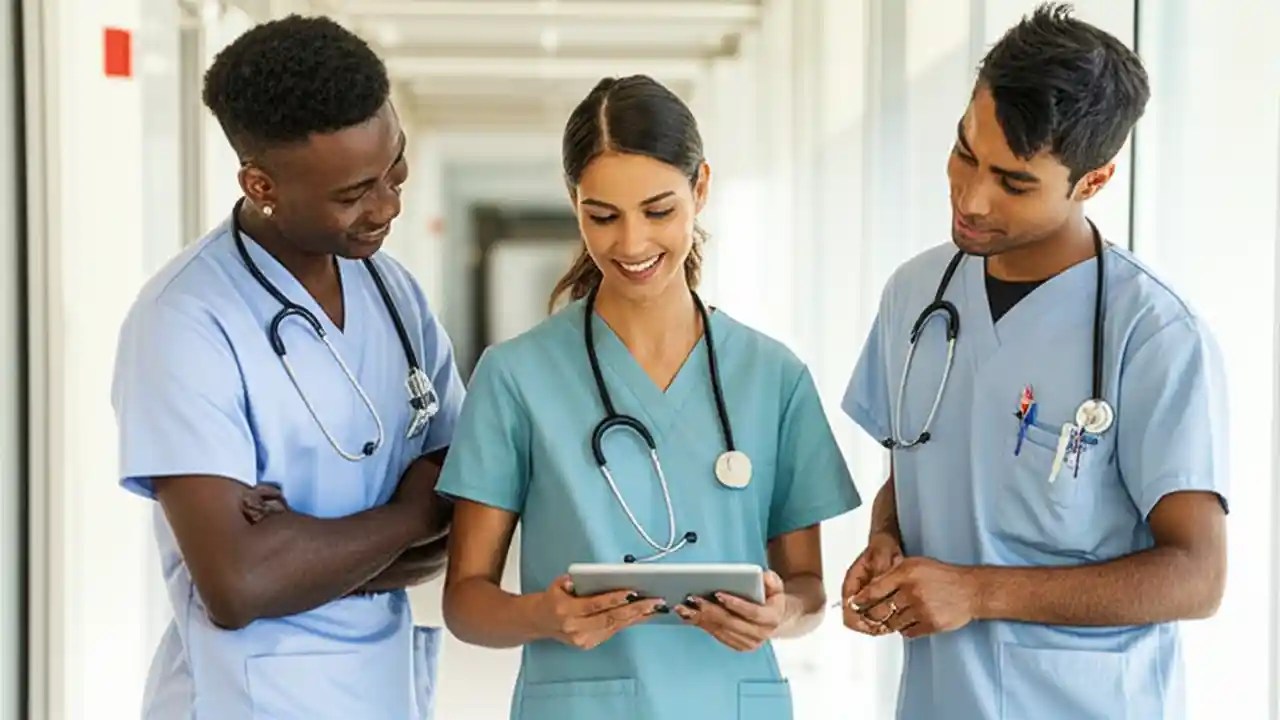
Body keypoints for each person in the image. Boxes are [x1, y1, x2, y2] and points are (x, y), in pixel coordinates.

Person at [838, 5, 1228, 719]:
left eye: (1013, 183)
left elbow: (1197, 576)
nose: (970, 197)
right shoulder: (914, 294)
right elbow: (918, 459)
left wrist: (979, 591)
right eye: (964, 152)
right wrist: (884, 542)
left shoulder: (1153, 332)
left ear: (1095, 180)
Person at [434, 74, 862, 719]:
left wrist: (779, 615)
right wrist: (543, 616)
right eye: (601, 216)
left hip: (732, 701)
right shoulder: (515, 376)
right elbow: (466, 602)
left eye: (658, 211)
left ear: (702, 188)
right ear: (573, 201)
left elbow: (809, 593)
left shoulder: (774, 377)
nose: (630, 245)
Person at [110, 15, 463, 719]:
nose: (388, 205)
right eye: (352, 193)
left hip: (385, 689)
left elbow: (469, 514)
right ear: (261, 183)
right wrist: (413, 509)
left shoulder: (393, 293)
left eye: (393, 166)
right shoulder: (185, 322)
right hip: (249, 699)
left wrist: (308, 547)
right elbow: (239, 584)